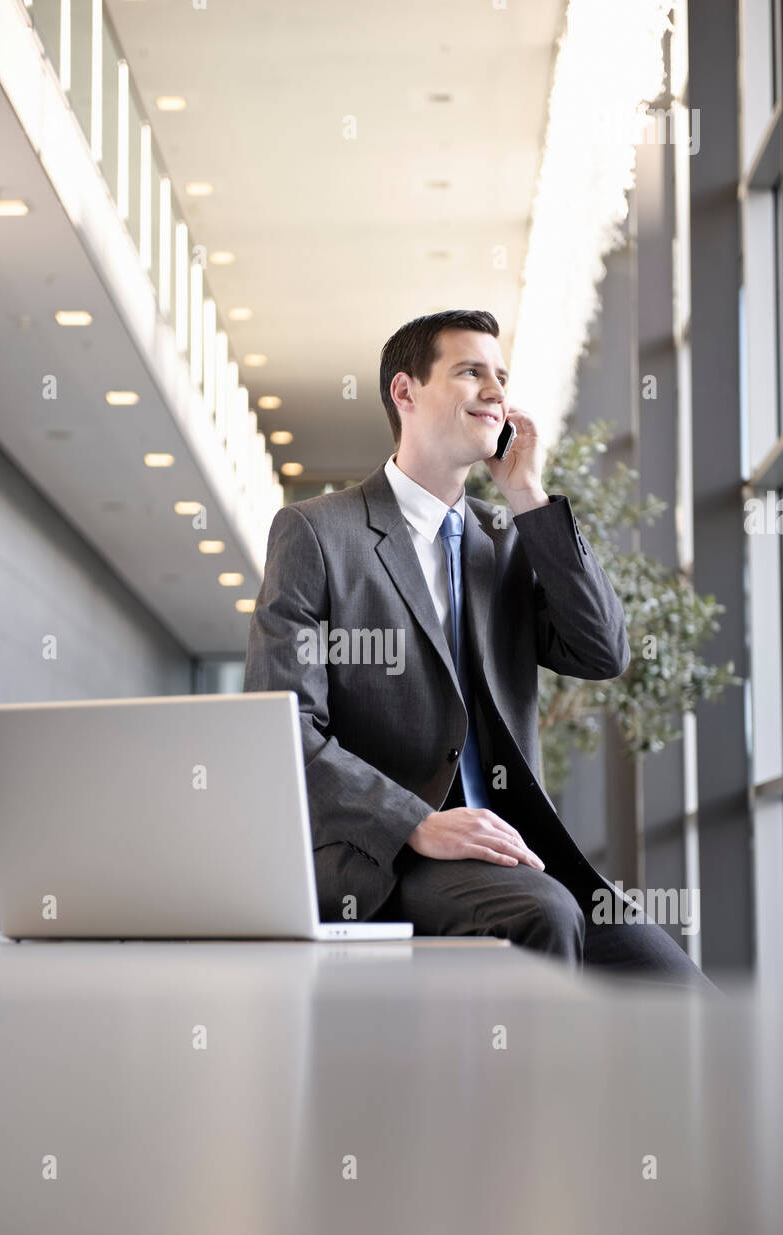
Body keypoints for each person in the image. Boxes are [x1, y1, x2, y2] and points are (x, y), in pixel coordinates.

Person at [244, 309, 717, 995]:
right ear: (405, 392)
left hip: (517, 853)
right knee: (544, 915)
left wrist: (527, 496)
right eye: (471, 372)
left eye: (501, 376)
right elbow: (286, 729)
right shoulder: (317, 534)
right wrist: (417, 822)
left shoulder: (509, 536)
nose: (496, 390)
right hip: (386, 857)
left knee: (681, 996)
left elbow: (603, 650)